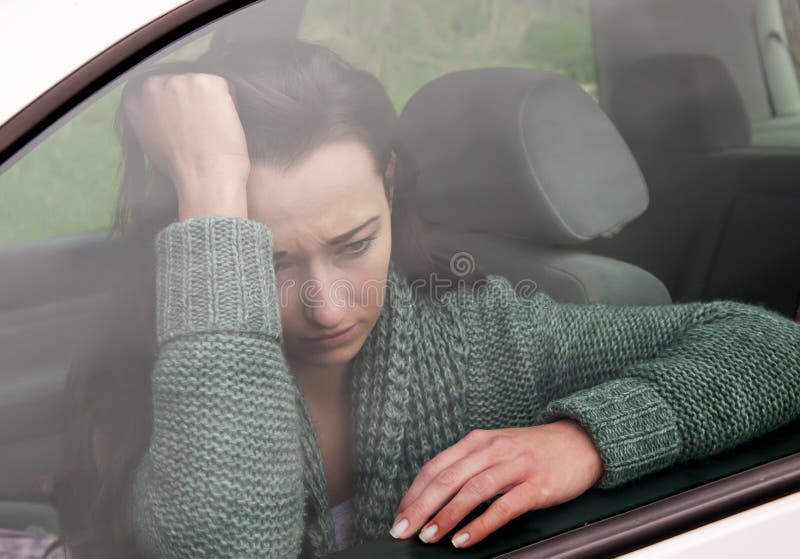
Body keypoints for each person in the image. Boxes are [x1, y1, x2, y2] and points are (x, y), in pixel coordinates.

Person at [54, 38, 800, 559]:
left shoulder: (479, 337)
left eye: (354, 244)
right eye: (266, 260)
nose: (327, 306)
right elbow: (229, 548)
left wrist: (585, 439)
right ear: (203, 245)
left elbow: (774, 350)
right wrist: (214, 188)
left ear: (389, 184)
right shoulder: (162, 377)